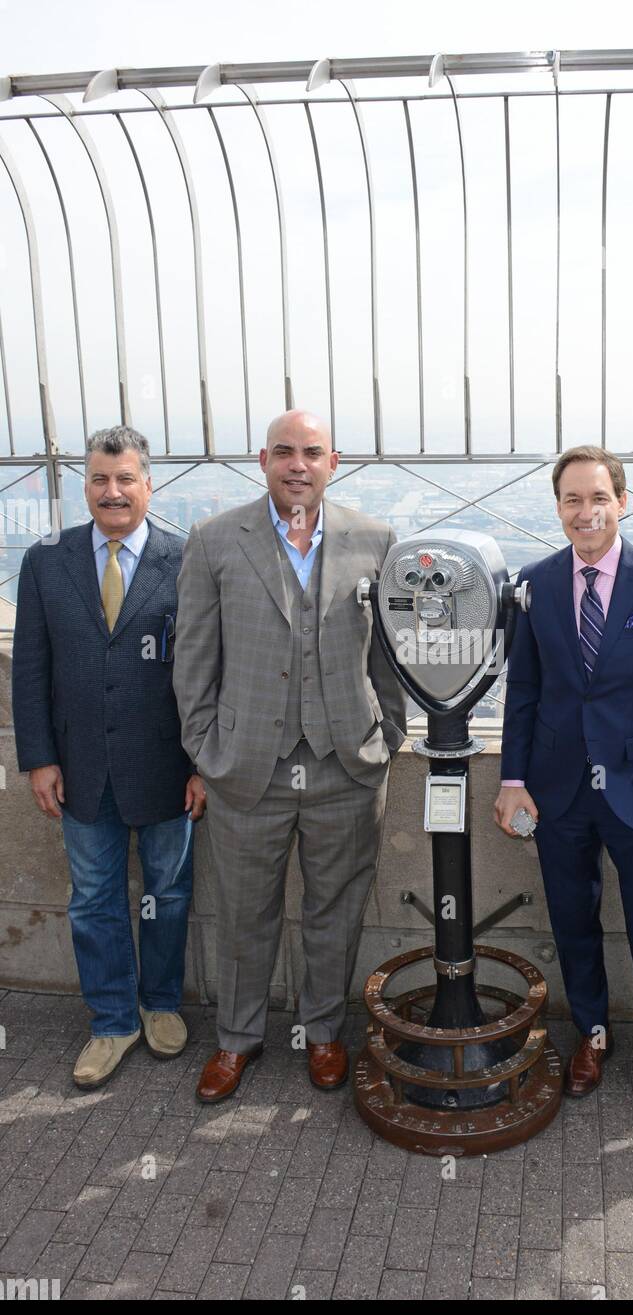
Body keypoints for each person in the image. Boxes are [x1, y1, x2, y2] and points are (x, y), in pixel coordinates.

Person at [174, 409, 407, 1103]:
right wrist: (207, 749)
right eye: (284, 452)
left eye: (311, 452)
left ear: (334, 461)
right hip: (248, 767)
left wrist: (385, 734)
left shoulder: (374, 538)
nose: (297, 464)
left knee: (334, 909)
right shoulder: (215, 540)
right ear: (263, 460)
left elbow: (388, 656)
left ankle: (325, 1031)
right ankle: (236, 1040)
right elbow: (192, 658)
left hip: (345, 764)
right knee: (246, 912)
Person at [495, 445, 633, 1128]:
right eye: (570, 500)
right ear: (557, 507)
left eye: (597, 498)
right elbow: (522, 690)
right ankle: (590, 1037)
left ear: (622, 501)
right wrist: (513, 779)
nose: (585, 513)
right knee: (572, 923)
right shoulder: (535, 583)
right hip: (556, 794)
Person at [12, 425, 204, 1089]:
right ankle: (113, 1020)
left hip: (168, 769)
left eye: (126, 479)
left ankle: (161, 1006)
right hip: (80, 768)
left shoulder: (188, 561)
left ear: (148, 485)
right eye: (99, 479)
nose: (112, 491)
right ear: (85, 486)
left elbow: (210, 671)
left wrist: (204, 763)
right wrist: (38, 757)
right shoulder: (46, 560)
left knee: (169, 892)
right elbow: (30, 665)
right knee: (93, 899)